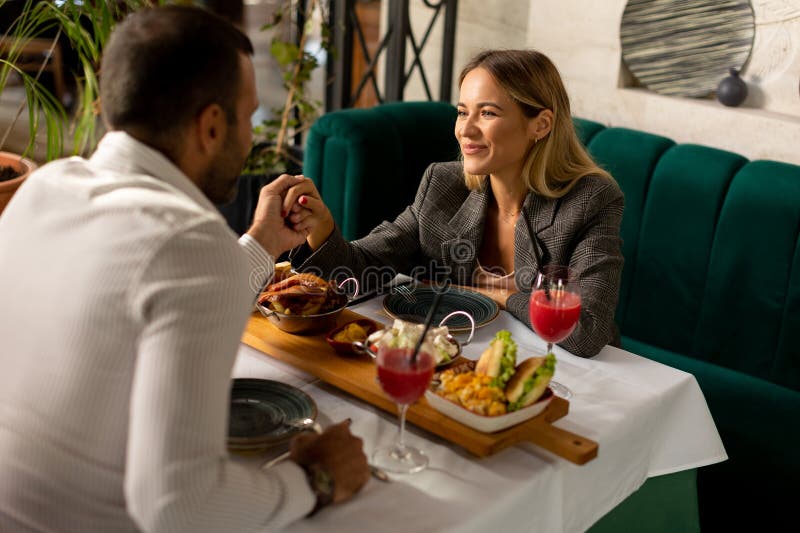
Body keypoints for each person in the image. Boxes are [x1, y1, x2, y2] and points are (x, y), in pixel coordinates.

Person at [0, 6, 368, 532]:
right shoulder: (189, 244)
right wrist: (315, 480)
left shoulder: (43, 187)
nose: (250, 135)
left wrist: (262, 243)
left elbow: (161, 287)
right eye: (247, 117)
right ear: (212, 126)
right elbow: (179, 506)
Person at [282, 49, 624, 358]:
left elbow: (587, 331)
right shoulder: (443, 185)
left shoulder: (590, 201)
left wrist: (500, 296)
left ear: (541, 124)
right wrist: (322, 228)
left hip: (568, 373)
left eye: (487, 113)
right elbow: (357, 270)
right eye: (463, 112)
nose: (466, 130)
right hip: (462, 361)